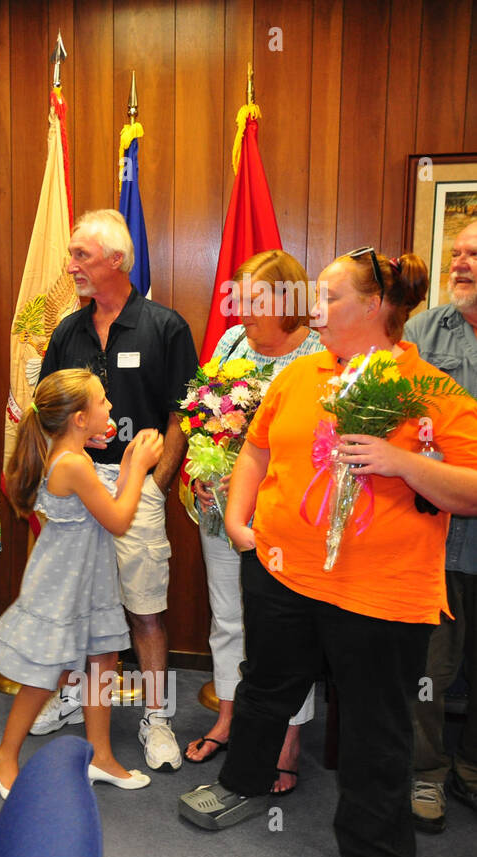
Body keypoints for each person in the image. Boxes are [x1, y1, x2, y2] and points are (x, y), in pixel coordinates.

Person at [180, 248, 477, 857]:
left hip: (380, 596)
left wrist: (403, 463)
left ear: (373, 306)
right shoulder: (300, 375)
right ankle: (245, 782)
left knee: (374, 732)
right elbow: (257, 448)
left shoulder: (430, 389)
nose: (314, 309)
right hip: (281, 574)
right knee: (265, 687)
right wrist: (239, 523)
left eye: (329, 297)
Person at [33, 209, 197, 772]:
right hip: (77, 483)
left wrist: (155, 482)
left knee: (145, 610)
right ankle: (77, 695)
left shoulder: (165, 326)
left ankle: (157, 716)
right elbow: (48, 411)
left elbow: (182, 413)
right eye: (72, 253)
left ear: (116, 262)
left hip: (136, 483)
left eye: (81, 254)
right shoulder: (66, 330)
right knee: (77, 604)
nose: (70, 264)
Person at [182, 251, 325, 795]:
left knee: (287, 635)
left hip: (285, 521)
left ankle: (287, 742)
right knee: (228, 621)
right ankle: (228, 718)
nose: (242, 312)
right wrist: (199, 464)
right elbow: (203, 413)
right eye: (238, 300)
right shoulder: (231, 345)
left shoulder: (318, 355)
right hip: (222, 511)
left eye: (255, 302)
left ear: (289, 300)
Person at [0, 369, 163, 797]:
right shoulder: (72, 464)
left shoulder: (70, 453)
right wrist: (137, 466)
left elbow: (109, 504)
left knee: (103, 657)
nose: (111, 408)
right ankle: (4, 755)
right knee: (45, 671)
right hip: (63, 580)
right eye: (103, 402)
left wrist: (121, 467)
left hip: (90, 574)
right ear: (79, 418)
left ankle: (99, 754)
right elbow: (119, 519)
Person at [402, 220, 477, 832]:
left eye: (473, 255)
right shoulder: (422, 333)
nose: (460, 265)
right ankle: (425, 775)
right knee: (431, 666)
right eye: (456, 254)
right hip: (438, 537)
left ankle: (472, 768)